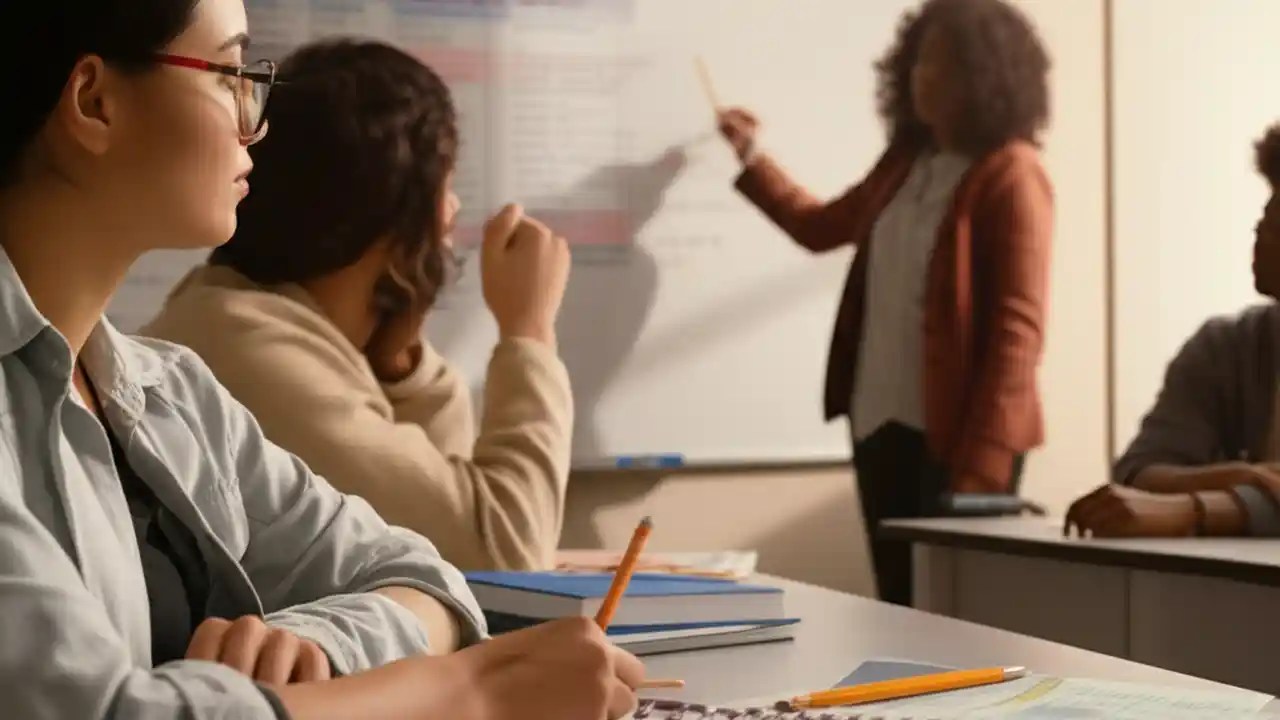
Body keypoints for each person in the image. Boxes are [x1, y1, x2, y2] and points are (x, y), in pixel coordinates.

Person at [0, 1, 643, 718]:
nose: (255, 124)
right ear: (95, 102)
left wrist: (320, 644)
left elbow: (430, 577)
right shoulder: (236, 341)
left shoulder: (169, 392)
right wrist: (473, 691)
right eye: (229, 75)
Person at [142, 38, 571, 572]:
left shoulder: (259, 321)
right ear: (397, 217)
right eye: (444, 188)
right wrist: (528, 332)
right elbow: (502, 553)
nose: (452, 211)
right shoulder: (245, 343)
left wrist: (401, 366)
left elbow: (441, 517)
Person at [716, 0, 1053, 606]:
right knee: (899, 604)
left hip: (963, 440)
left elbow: (1018, 331)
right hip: (878, 425)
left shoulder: (1013, 174)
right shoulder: (904, 165)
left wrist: (984, 465)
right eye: (919, 61)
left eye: (943, 64)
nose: (923, 76)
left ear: (986, 76)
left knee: (961, 617)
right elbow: (818, 226)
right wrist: (750, 155)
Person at [1065, 125, 1280, 540]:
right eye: (1268, 210)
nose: (1261, 228)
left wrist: (1192, 509)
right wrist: (1247, 476)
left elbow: (1153, 498)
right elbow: (1139, 472)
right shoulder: (1226, 346)